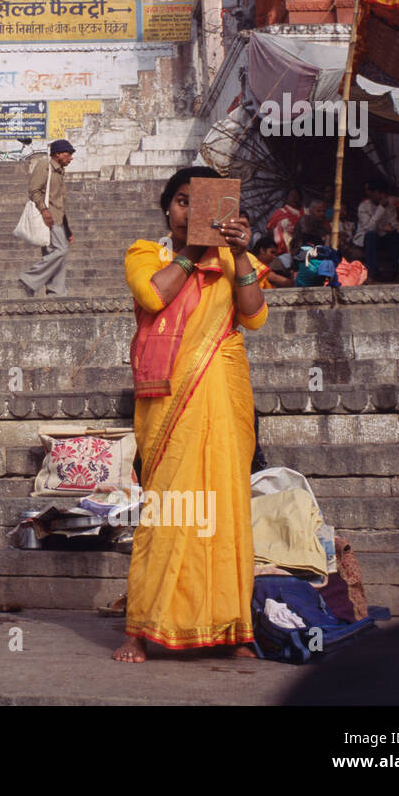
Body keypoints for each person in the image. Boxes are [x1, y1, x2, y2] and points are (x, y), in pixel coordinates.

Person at [114, 166, 269, 664]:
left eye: (200, 203)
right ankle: (140, 629)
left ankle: (235, 631)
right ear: (168, 208)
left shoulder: (231, 258)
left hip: (222, 394)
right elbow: (154, 295)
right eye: (183, 201)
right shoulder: (146, 253)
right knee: (168, 509)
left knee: (226, 509)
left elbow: (254, 316)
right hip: (167, 401)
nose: (189, 211)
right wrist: (193, 251)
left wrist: (239, 252)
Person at [18, 139, 75, 297]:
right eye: (68, 154)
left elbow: (60, 203)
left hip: (58, 219)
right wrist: (44, 211)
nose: (70, 158)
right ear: (57, 154)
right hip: (48, 218)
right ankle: (29, 279)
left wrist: (68, 230)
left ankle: (56, 292)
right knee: (60, 251)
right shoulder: (45, 165)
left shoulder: (60, 172)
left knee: (57, 255)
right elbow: (34, 190)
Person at [352, 178, 399, 282]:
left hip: (383, 236)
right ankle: (372, 272)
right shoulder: (364, 206)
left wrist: (390, 226)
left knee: (396, 236)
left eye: (384, 193)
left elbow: (393, 221)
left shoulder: (389, 206)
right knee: (371, 235)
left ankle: (396, 271)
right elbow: (369, 227)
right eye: (379, 193)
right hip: (366, 238)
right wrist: (381, 208)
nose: (382, 196)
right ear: (371, 193)